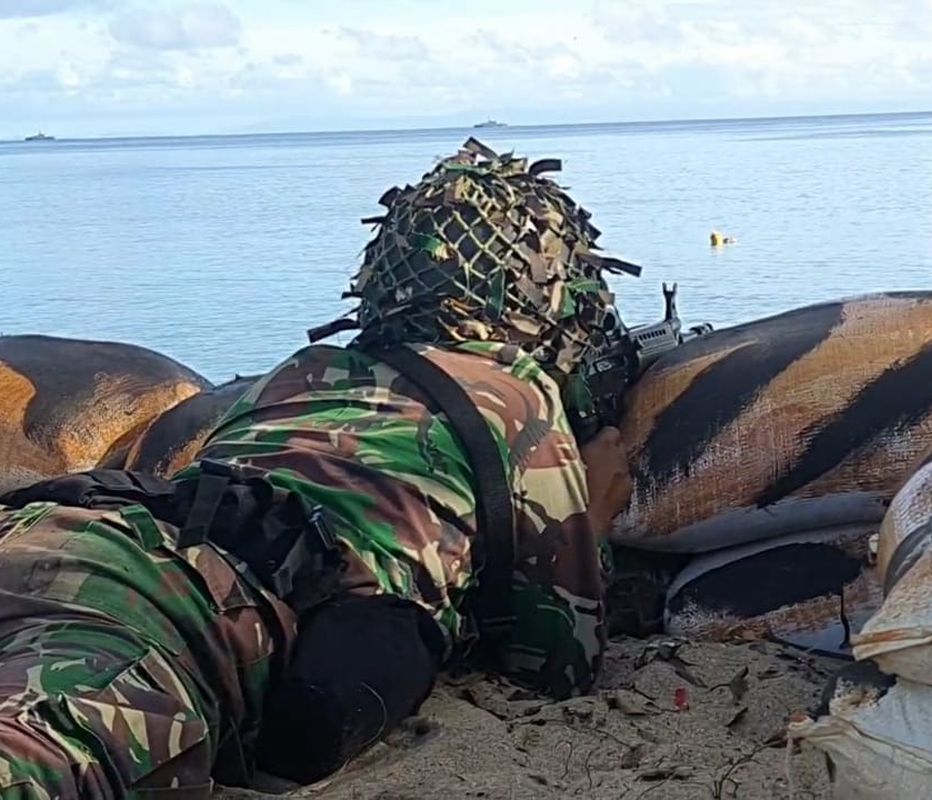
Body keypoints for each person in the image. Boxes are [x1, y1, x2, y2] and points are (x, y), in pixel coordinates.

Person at [0, 139, 636, 797]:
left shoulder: (303, 371)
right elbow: (560, 660)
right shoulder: (513, 398)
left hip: (72, 527)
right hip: (159, 602)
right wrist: (595, 517)